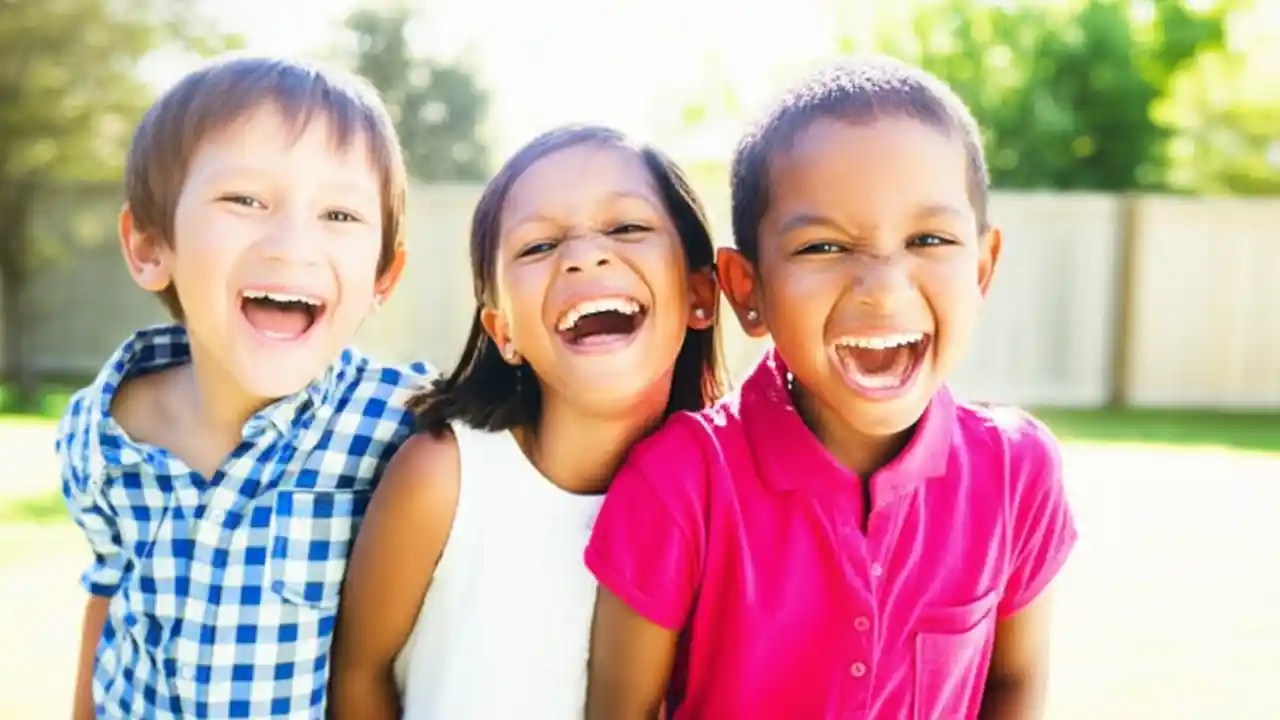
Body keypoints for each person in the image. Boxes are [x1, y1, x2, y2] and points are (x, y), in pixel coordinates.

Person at [584, 56, 1079, 720]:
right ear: (746, 289)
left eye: (928, 239)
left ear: (982, 270)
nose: (883, 289)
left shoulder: (1018, 473)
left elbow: (1014, 684)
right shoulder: (681, 483)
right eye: (822, 248)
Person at [56, 54, 429, 719]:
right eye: (245, 200)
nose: (292, 245)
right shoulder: (99, 432)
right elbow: (107, 591)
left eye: (339, 215)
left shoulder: (403, 428)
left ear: (383, 276)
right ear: (149, 247)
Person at [328, 124, 724, 720]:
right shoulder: (446, 479)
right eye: (539, 246)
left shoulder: (732, 504)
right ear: (503, 331)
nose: (586, 255)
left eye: (627, 228)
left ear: (701, 294)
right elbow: (358, 675)